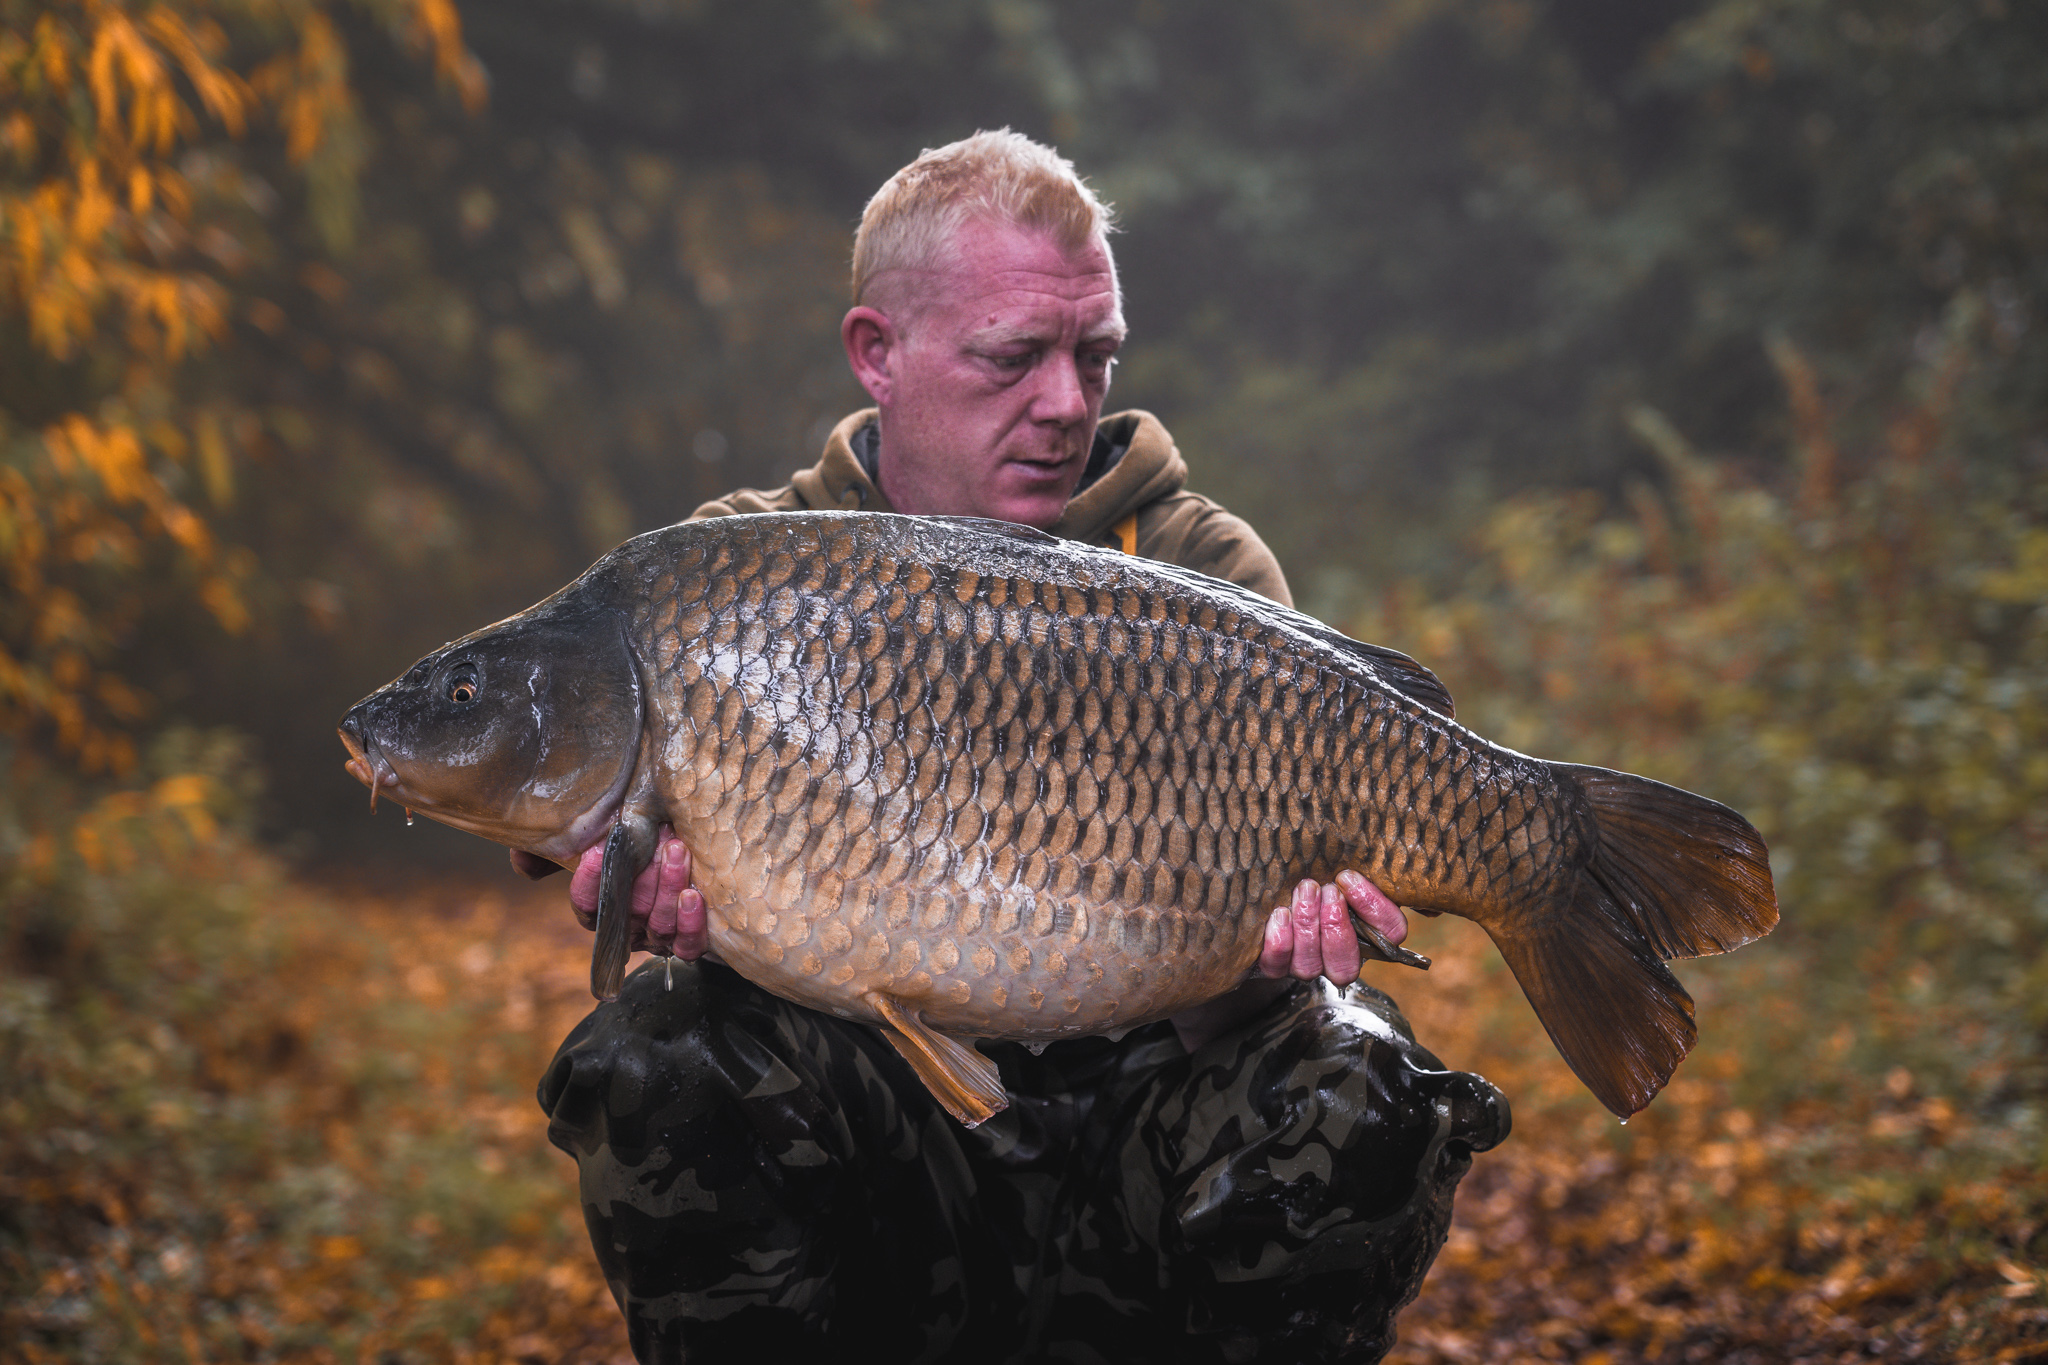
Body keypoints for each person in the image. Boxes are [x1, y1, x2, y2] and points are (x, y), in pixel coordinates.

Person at [531, 130, 1507, 1364]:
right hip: (877, 1128)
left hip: (1146, 1116)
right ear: (876, 355)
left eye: (1091, 355)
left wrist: (1284, 964)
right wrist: (633, 877)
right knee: (653, 1054)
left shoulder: (1200, 568)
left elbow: (1275, 973)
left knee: (1359, 1075)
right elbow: (570, 784)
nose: (1062, 403)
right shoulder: (738, 570)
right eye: (1012, 358)